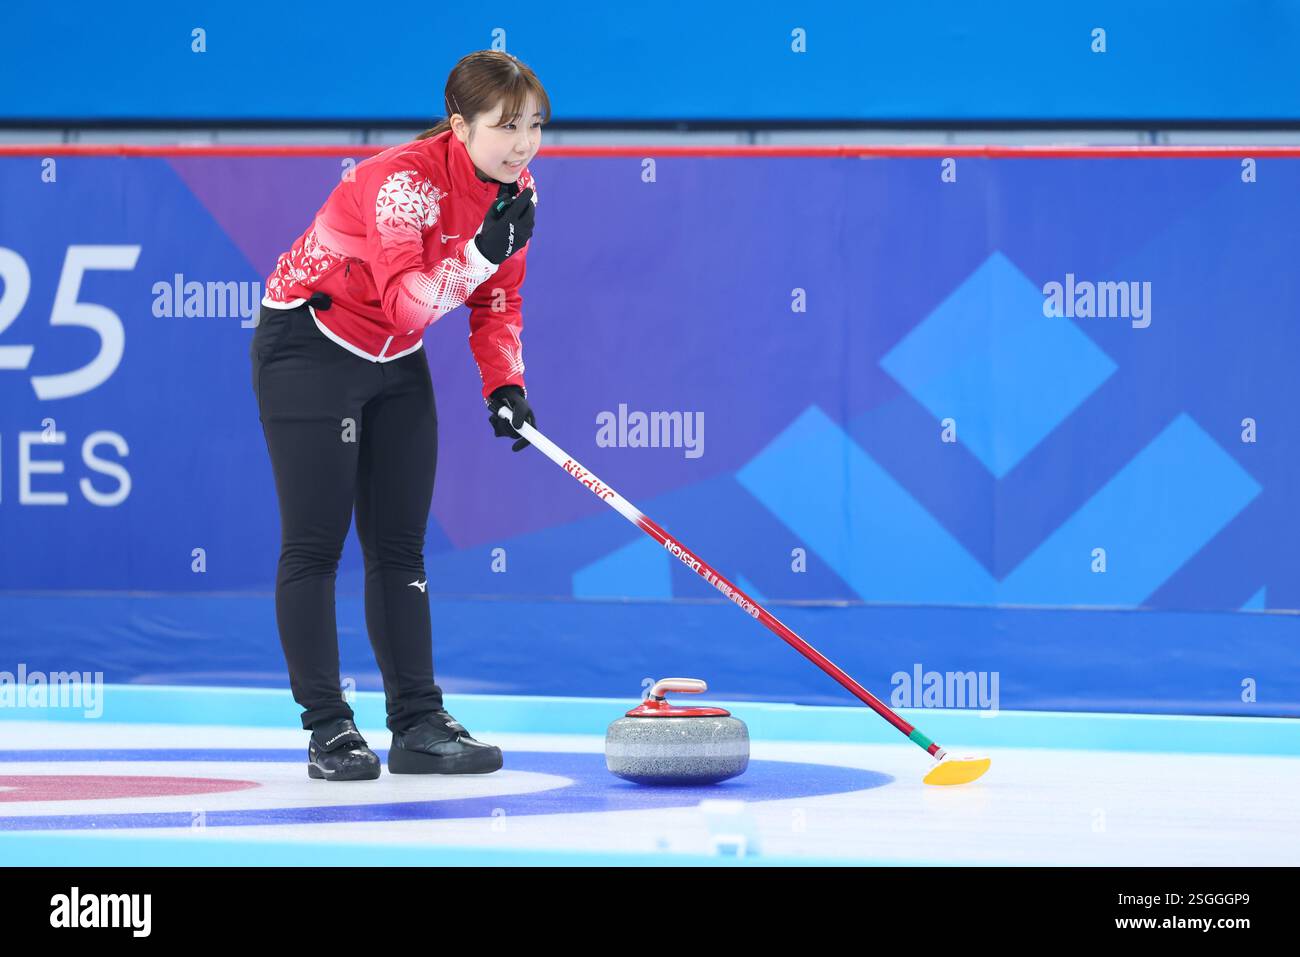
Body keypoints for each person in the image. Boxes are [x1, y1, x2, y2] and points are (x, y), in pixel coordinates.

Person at [249, 50, 550, 780]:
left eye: (536, 125)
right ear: (459, 125)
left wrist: (503, 384)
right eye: (506, 126)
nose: (523, 143)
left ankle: (417, 721)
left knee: (400, 548)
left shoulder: (515, 188)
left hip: (393, 356)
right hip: (311, 344)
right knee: (315, 544)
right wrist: (480, 252)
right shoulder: (401, 185)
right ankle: (329, 729)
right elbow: (405, 300)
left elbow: (496, 298)